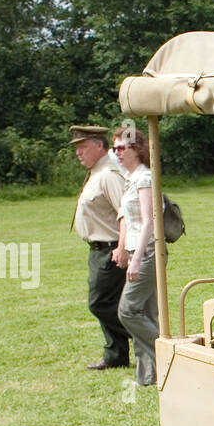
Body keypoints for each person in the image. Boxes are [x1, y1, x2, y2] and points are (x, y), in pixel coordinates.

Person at [69, 125, 131, 371]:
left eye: (83, 147)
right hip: (98, 249)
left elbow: (125, 212)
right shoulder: (97, 172)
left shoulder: (109, 173)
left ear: (99, 145)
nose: (78, 153)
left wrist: (122, 247)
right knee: (110, 301)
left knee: (100, 302)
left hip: (111, 249)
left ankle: (147, 336)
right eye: (77, 148)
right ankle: (116, 355)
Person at [111, 126, 161, 387]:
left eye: (122, 148)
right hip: (136, 250)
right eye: (114, 148)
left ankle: (170, 357)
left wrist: (138, 258)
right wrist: (123, 249)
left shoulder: (144, 178)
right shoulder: (130, 177)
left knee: (128, 311)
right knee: (146, 313)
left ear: (137, 149)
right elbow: (127, 221)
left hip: (148, 250)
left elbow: (148, 222)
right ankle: (149, 377)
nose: (117, 153)